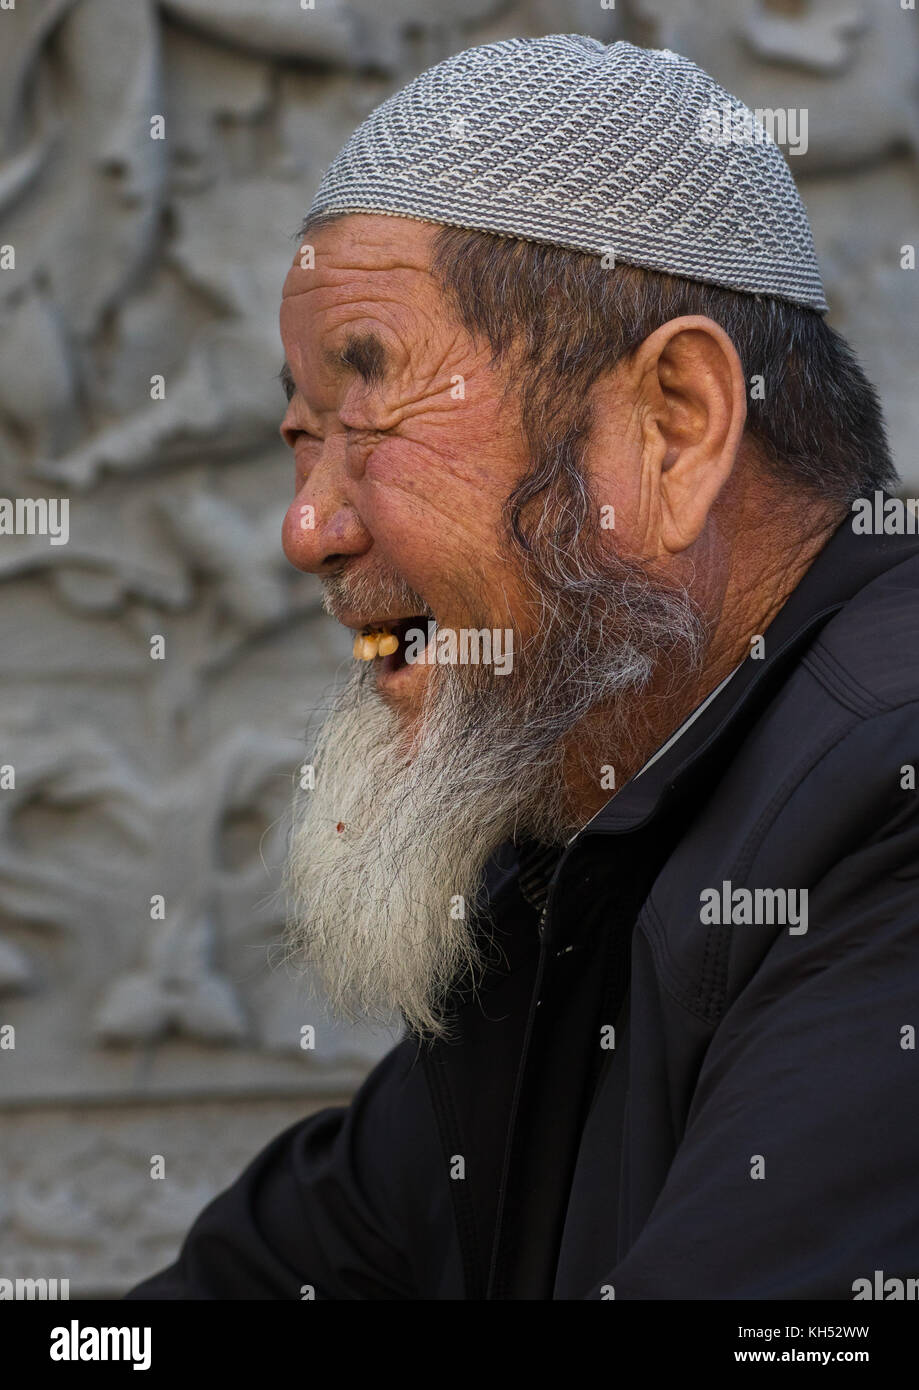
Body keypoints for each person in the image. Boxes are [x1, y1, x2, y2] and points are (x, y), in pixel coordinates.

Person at [126, 36, 919, 1300]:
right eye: (299, 435)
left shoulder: (888, 798)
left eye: (371, 420)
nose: (307, 528)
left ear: (673, 427)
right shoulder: (583, 817)